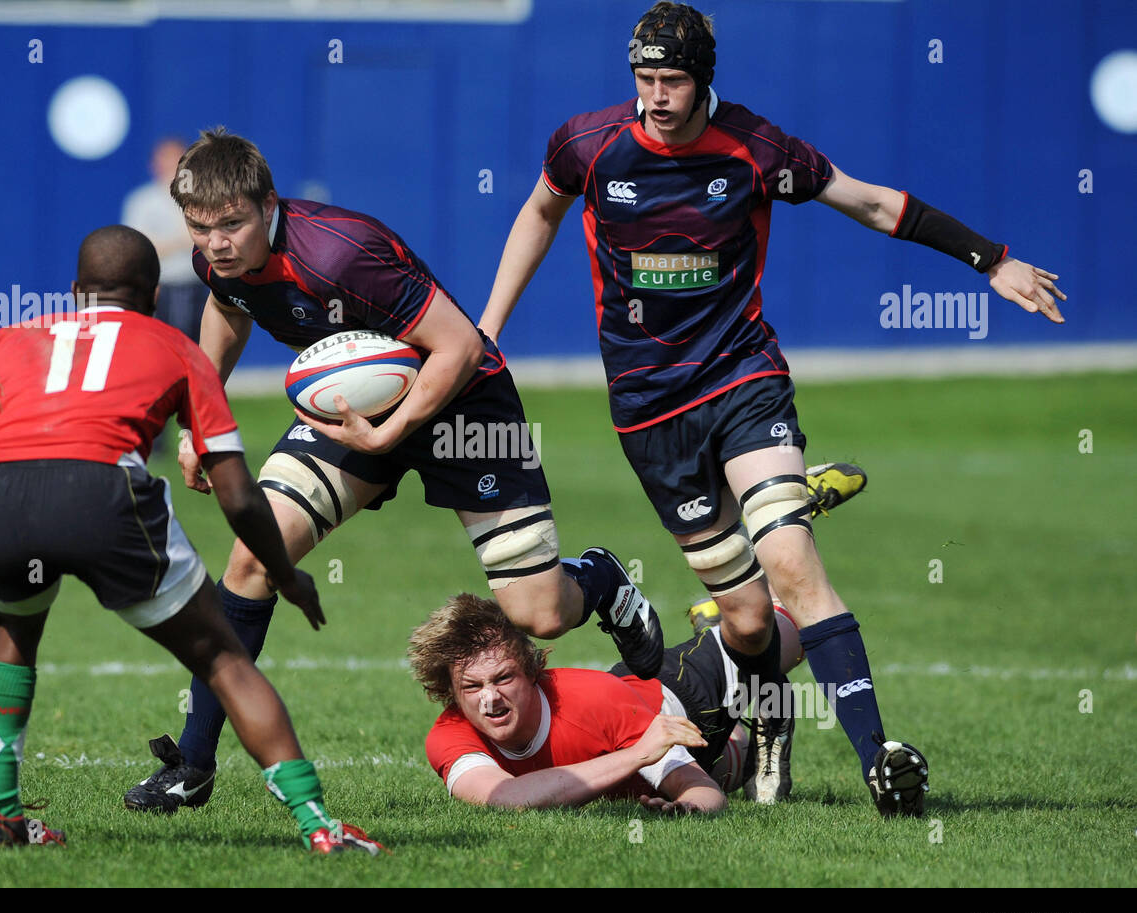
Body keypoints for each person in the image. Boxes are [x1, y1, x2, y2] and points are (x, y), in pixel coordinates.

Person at [477, 2, 1064, 817]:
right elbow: (539, 212)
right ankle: (772, 715)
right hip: (648, 412)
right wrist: (489, 329)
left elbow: (869, 203)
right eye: (644, 79)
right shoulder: (589, 143)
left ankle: (879, 761)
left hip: (741, 380)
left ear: (704, 80)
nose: (655, 96)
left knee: (790, 562)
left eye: (672, 80)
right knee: (749, 621)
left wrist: (989, 260)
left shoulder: (757, 149)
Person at [121, 127, 666, 813]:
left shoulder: (341, 256)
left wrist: (390, 432)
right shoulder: (218, 259)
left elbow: (461, 346)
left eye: (231, 224)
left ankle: (603, 583)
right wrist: (201, 418)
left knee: (541, 614)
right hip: (358, 408)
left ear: (267, 205)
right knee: (253, 560)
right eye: (200, 229)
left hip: (464, 402)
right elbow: (229, 309)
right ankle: (191, 767)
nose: (216, 242)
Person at [0, 224, 380, 854]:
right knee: (223, 660)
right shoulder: (174, 347)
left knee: (12, 631)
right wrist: (284, 573)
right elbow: (238, 494)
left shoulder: (8, 339)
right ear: (149, 297)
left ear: (74, 291)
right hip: (104, 499)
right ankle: (320, 828)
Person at [415, 460, 874, 811]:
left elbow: (702, 793)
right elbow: (504, 798)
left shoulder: (596, 703)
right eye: (471, 687)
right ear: (450, 692)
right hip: (662, 737)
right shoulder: (450, 734)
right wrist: (649, 773)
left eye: (502, 679)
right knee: (738, 767)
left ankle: (779, 512)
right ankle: (756, 692)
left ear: (533, 669)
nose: (490, 699)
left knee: (763, 627)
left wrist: (680, 796)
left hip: (683, 691)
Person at [121, 137, 209, 343]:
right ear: (155, 163)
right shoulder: (142, 201)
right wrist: (181, 241)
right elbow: (139, 247)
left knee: (197, 345)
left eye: (177, 159)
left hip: (198, 284)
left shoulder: (200, 197)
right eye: (166, 159)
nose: (172, 165)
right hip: (162, 285)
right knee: (163, 342)